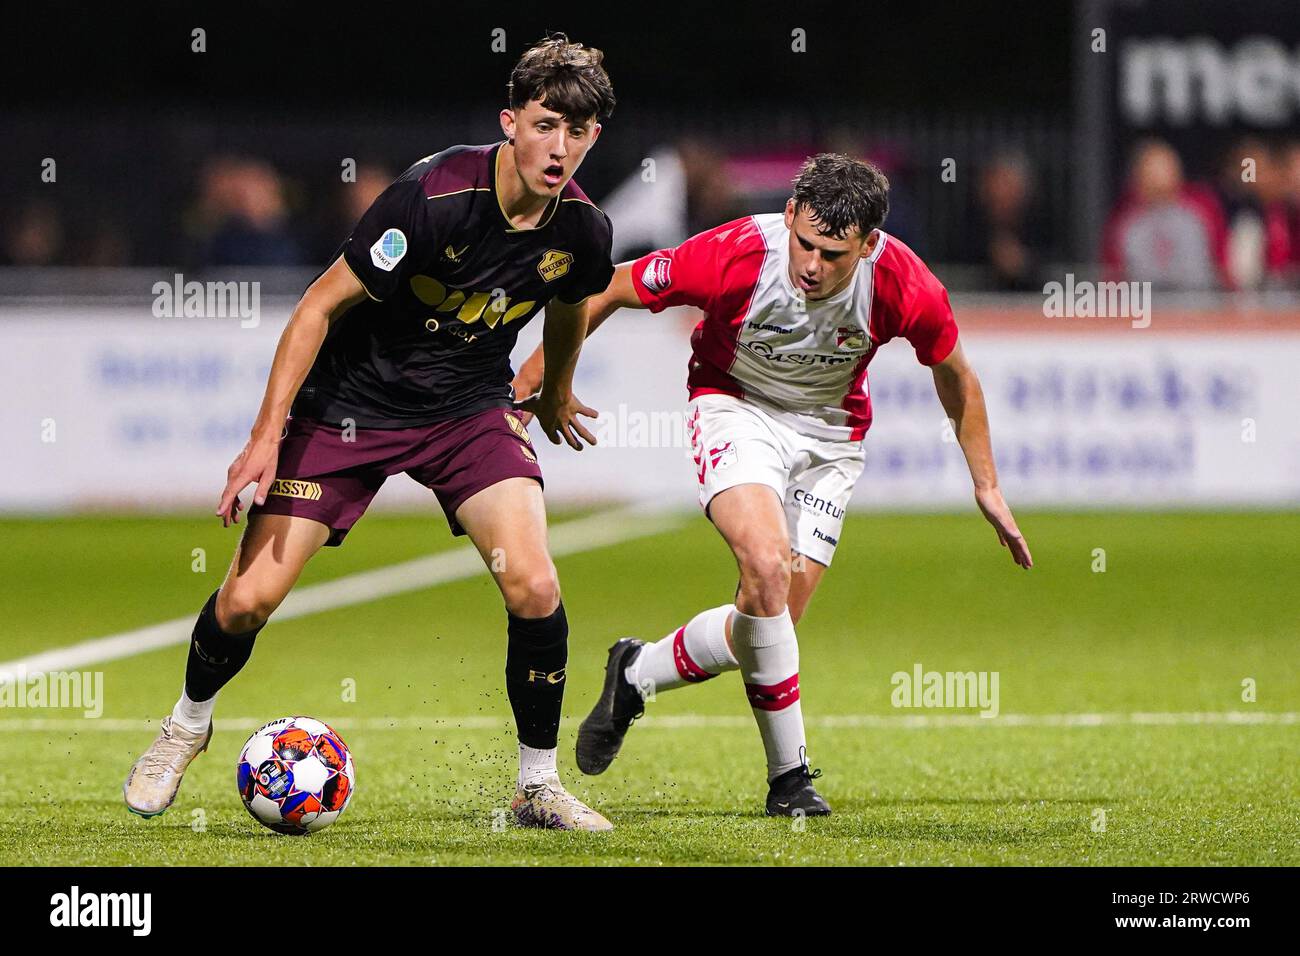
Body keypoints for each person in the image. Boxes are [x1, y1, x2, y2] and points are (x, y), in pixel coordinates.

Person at [123, 34, 619, 831]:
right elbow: (317, 307)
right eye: (545, 124)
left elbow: (570, 310)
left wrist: (555, 388)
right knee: (248, 600)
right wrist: (265, 437)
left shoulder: (584, 231)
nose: (559, 148)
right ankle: (185, 725)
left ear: (594, 137)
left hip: (467, 412)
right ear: (510, 122)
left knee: (535, 584)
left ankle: (537, 786)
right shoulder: (431, 198)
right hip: (351, 409)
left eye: (579, 131)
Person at [513, 153, 1033, 816]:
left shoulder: (904, 283)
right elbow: (611, 287)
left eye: (834, 254)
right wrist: (539, 376)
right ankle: (790, 779)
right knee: (764, 564)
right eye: (805, 243)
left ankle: (636, 672)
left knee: (769, 621)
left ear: (869, 245)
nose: (812, 265)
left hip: (830, 441)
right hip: (735, 408)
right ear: (789, 215)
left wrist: (985, 485)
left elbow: (956, 375)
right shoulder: (735, 253)